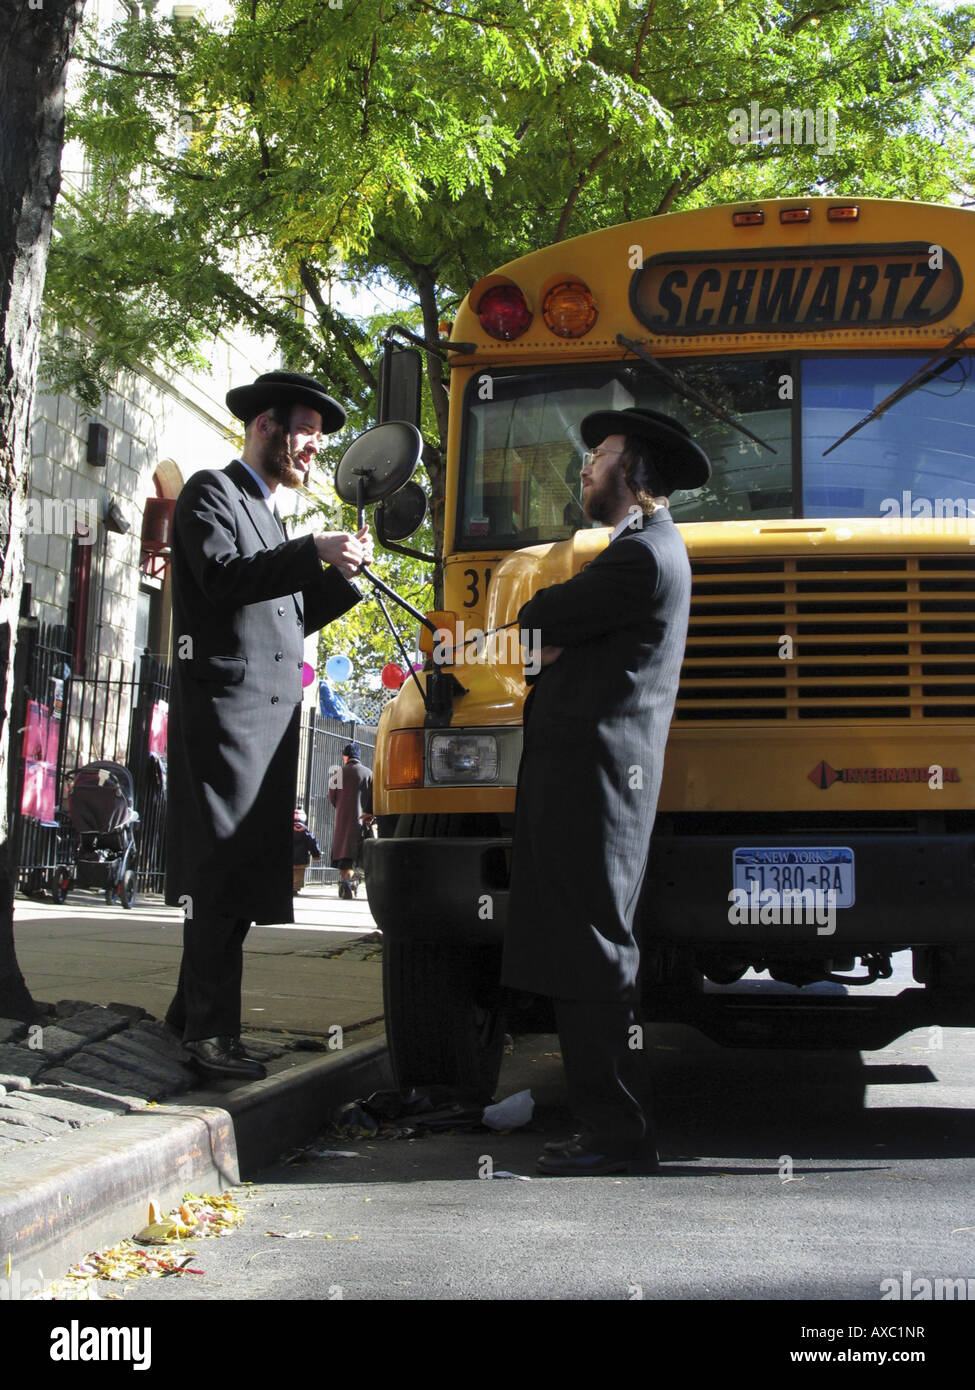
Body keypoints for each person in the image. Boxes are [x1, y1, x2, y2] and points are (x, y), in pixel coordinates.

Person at [501, 407, 711, 1175]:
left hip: (595, 785)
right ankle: (607, 1127)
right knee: (584, 948)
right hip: (589, 781)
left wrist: (550, 634)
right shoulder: (639, 551)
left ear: (636, 470)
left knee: (592, 953)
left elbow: (535, 618)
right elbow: (542, 639)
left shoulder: (641, 557)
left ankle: (615, 1133)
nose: (584, 465)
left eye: (599, 453)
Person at [164, 370, 373, 1080]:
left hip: (268, 723)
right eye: (305, 430)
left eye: (318, 436)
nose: (314, 446)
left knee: (244, 876)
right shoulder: (211, 492)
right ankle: (209, 1033)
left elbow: (285, 614)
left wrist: (340, 576)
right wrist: (312, 549)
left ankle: (187, 1015)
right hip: (227, 717)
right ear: (264, 426)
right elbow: (224, 578)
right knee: (220, 876)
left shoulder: (268, 513)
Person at [328, 742, 373, 899]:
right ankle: (352, 880)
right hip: (362, 821)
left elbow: (332, 797)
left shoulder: (337, 773)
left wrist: (341, 806)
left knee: (343, 854)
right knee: (359, 853)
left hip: (342, 820)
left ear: (346, 756)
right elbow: (373, 797)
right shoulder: (368, 773)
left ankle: (345, 881)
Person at [292, 809, 321, 894]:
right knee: (298, 874)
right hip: (301, 859)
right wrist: (316, 854)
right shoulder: (305, 832)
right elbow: (312, 843)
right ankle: (294, 887)